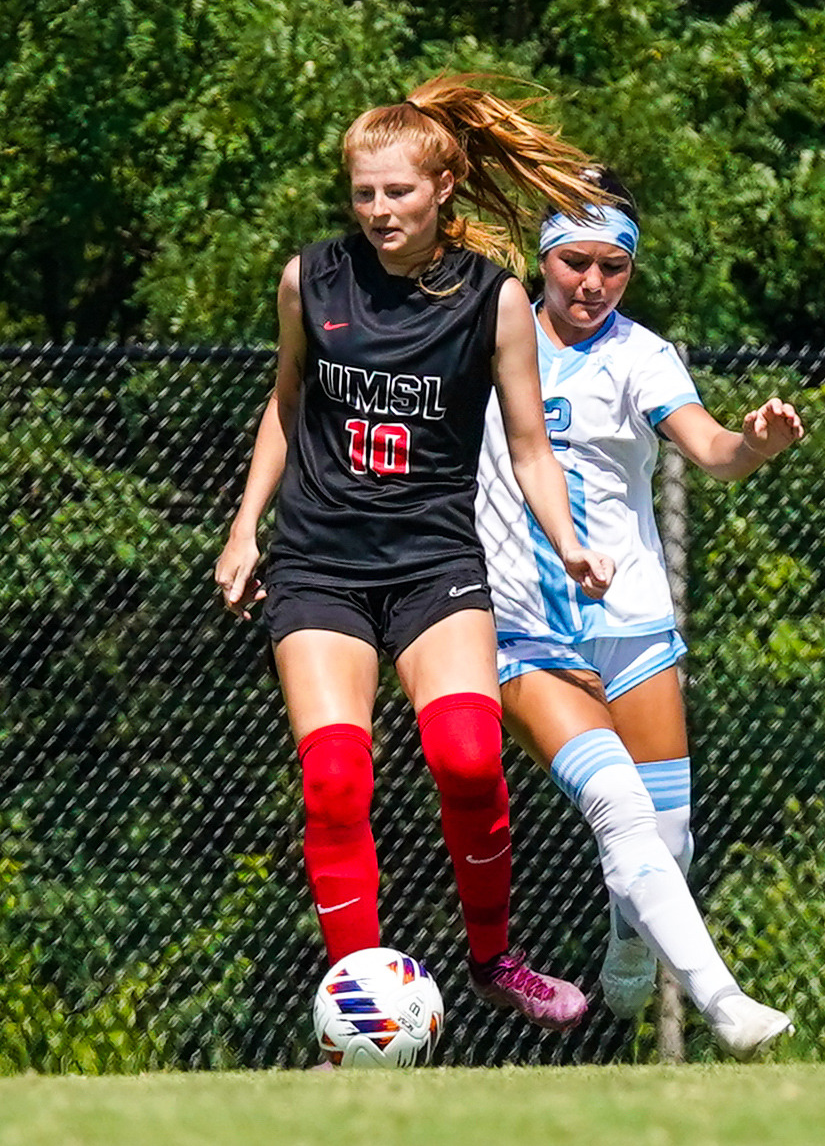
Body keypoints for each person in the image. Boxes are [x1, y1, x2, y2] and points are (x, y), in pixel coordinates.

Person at [214, 74, 619, 1034]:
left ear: (442, 187)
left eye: (397, 191)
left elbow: (528, 447)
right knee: (336, 778)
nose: (379, 210)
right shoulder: (308, 278)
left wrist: (569, 543)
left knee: (471, 758)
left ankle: (492, 959)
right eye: (364, 193)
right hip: (319, 565)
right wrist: (244, 526)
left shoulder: (496, 298)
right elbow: (283, 401)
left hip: (435, 562)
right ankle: (361, 1013)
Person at [474, 168, 805, 1059]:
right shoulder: (486, 338)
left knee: (669, 839)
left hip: (635, 629)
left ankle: (628, 937)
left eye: (612, 267)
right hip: (527, 634)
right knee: (619, 810)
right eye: (575, 262)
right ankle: (725, 1002)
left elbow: (708, 447)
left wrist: (754, 444)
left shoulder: (640, 353)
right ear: (540, 260)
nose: (592, 283)